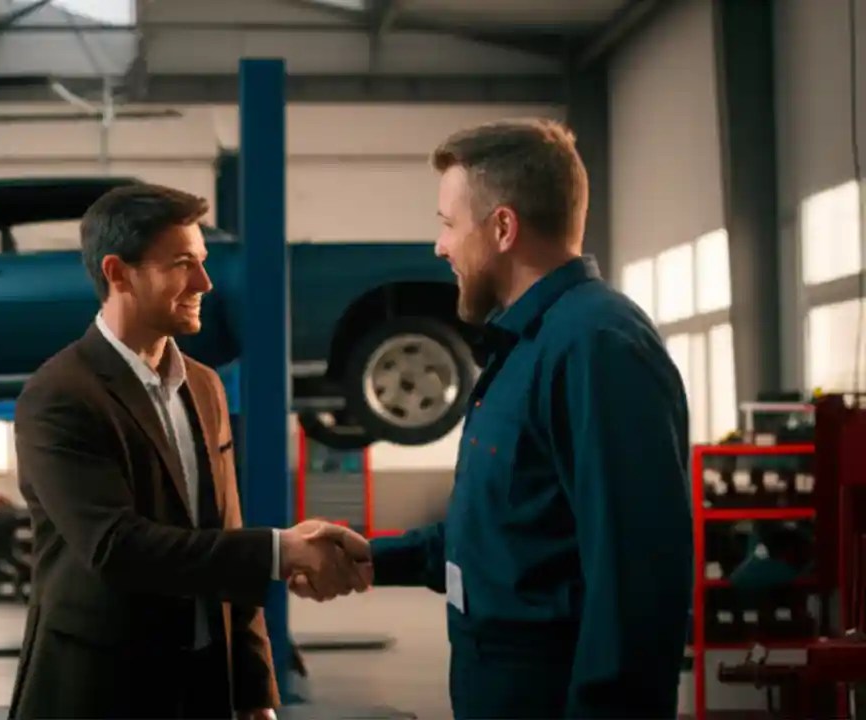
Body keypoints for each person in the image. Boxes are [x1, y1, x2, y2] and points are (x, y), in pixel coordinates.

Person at [294, 119, 694, 718]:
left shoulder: (596, 345)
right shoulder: (523, 346)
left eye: (449, 225)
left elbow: (637, 583)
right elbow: (503, 533)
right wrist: (371, 557)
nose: (440, 247)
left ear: (502, 227)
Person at [8, 183, 372, 720]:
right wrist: (281, 552)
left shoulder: (204, 386)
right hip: (100, 690)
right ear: (118, 273)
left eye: (201, 262)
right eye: (182, 264)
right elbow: (116, 547)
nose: (204, 282)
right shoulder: (59, 395)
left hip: (204, 685)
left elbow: (222, 529)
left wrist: (255, 691)